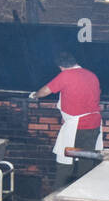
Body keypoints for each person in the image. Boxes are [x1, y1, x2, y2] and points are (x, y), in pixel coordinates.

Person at [30, 51, 103, 186]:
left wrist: (35, 95)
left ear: (60, 66)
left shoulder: (65, 75)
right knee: (86, 162)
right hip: (94, 124)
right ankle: (83, 193)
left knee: (65, 162)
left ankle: (59, 194)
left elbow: (45, 91)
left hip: (77, 126)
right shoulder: (91, 75)